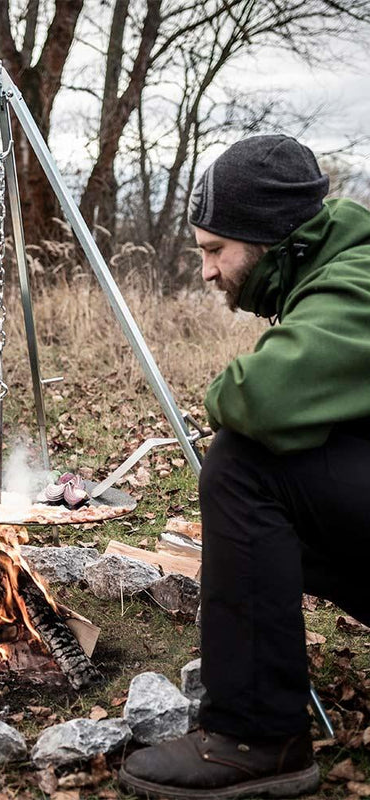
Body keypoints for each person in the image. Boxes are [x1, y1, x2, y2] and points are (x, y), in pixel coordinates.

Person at [118, 134, 370, 799]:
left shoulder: (361, 281)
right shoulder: (331, 272)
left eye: (214, 250)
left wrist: (223, 401)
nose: (206, 271)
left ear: (272, 238)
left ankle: (256, 735)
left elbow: (257, 396)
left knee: (243, 466)